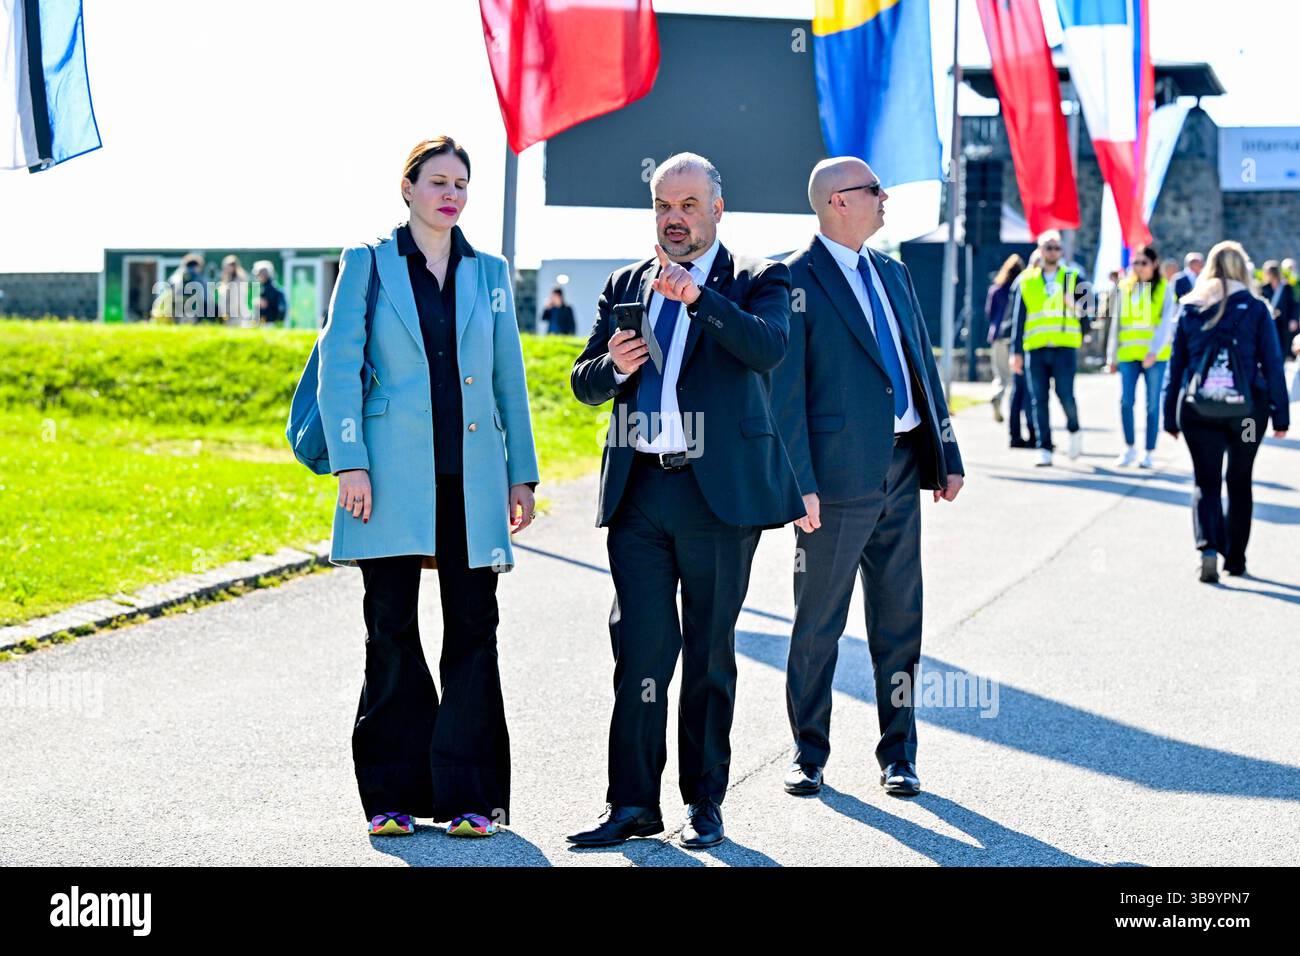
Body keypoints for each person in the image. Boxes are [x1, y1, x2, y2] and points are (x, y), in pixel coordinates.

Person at [566, 152, 804, 850]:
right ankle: (632, 805)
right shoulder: (624, 283)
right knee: (640, 652)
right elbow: (583, 382)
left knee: (707, 654)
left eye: (689, 206)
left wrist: (701, 301)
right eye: (664, 207)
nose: (675, 219)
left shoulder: (760, 279)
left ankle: (704, 803)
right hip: (640, 490)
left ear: (717, 209)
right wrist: (613, 366)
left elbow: (767, 350)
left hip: (717, 498)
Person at [316, 135, 540, 838]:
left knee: (475, 630)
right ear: (407, 187)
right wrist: (350, 460)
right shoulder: (368, 264)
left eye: (461, 184)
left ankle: (472, 799)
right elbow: (337, 368)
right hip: (385, 479)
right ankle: (391, 796)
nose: (451, 193)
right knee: (391, 630)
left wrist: (522, 474)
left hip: (472, 481)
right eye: (437, 180)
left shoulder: (491, 271)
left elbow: (509, 377)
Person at [771, 156, 964, 800]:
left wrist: (947, 452)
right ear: (837, 202)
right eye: (874, 190)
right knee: (818, 622)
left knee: (899, 621)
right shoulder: (790, 278)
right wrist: (799, 481)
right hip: (833, 484)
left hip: (905, 467)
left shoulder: (894, 272)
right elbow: (784, 393)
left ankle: (899, 753)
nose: (886, 199)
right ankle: (808, 753)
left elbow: (920, 366)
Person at [1163, 240, 1289, 583]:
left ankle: (1207, 546)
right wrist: (1281, 415)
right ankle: (1235, 559)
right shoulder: (1256, 308)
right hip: (1247, 415)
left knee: (1206, 480)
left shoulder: (1189, 307)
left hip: (1199, 413)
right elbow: (1273, 365)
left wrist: (1168, 414)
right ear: (1243, 269)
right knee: (1240, 478)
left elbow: (1176, 367)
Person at [1010, 230, 1092, 466]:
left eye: (1056, 247)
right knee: (1038, 399)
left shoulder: (1074, 276)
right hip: (1035, 347)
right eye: (1048, 247)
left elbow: (1087, 312)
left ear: (1062, 252)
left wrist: (1074, 304)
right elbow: (1019, 318)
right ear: (1040, 250)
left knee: (1065, 395)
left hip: (1064, 347)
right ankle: (1044, 447)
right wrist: (1015, 352)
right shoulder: (1026, 280)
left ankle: (1074, 430)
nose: (1053, 251)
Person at [1105, 244, 1175, 467]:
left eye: (1143, 263)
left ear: (1154, 264)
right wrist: (1111, 356)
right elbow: (1115, 323)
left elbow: (1166, 324)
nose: (1139, 267)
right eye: (1135, 263)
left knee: (1153, 405)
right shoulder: (1124, 287)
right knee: (1126, 402)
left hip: (1154, 356)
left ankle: (1149, 451)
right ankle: (1129, 447)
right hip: (1128, 354)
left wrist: (1154, 351)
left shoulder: (1164, 288)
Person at [985, 253, 1035, 446]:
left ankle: (996, 395)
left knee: (1001, 376)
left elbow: (989, 313)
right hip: (1014, 337)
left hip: (997, 336)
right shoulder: (1022, 287)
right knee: (1017, 382)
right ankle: (1021, 420)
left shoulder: (996, 289)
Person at [1261, 260, 1299, 363]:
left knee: (1284, 346)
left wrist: (1294, 319)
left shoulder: (1286, 287)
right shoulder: (1264, 288)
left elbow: (1294, 304)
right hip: (1271, 322)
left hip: (1284, 323)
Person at [215, 255, 252, 326]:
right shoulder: (226, 280)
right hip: (227, 315)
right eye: (227, 266)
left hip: (237, 315)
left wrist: (229, 312)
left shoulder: (240, 280)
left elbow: (238, 300)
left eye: (231, 265)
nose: (228, 268)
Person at [252, 260, 288, 326]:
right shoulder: (265, 286)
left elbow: (265, 304)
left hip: (269, 322)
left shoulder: (270, 288)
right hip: (268, 322)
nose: (258, 276)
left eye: (259, 274)